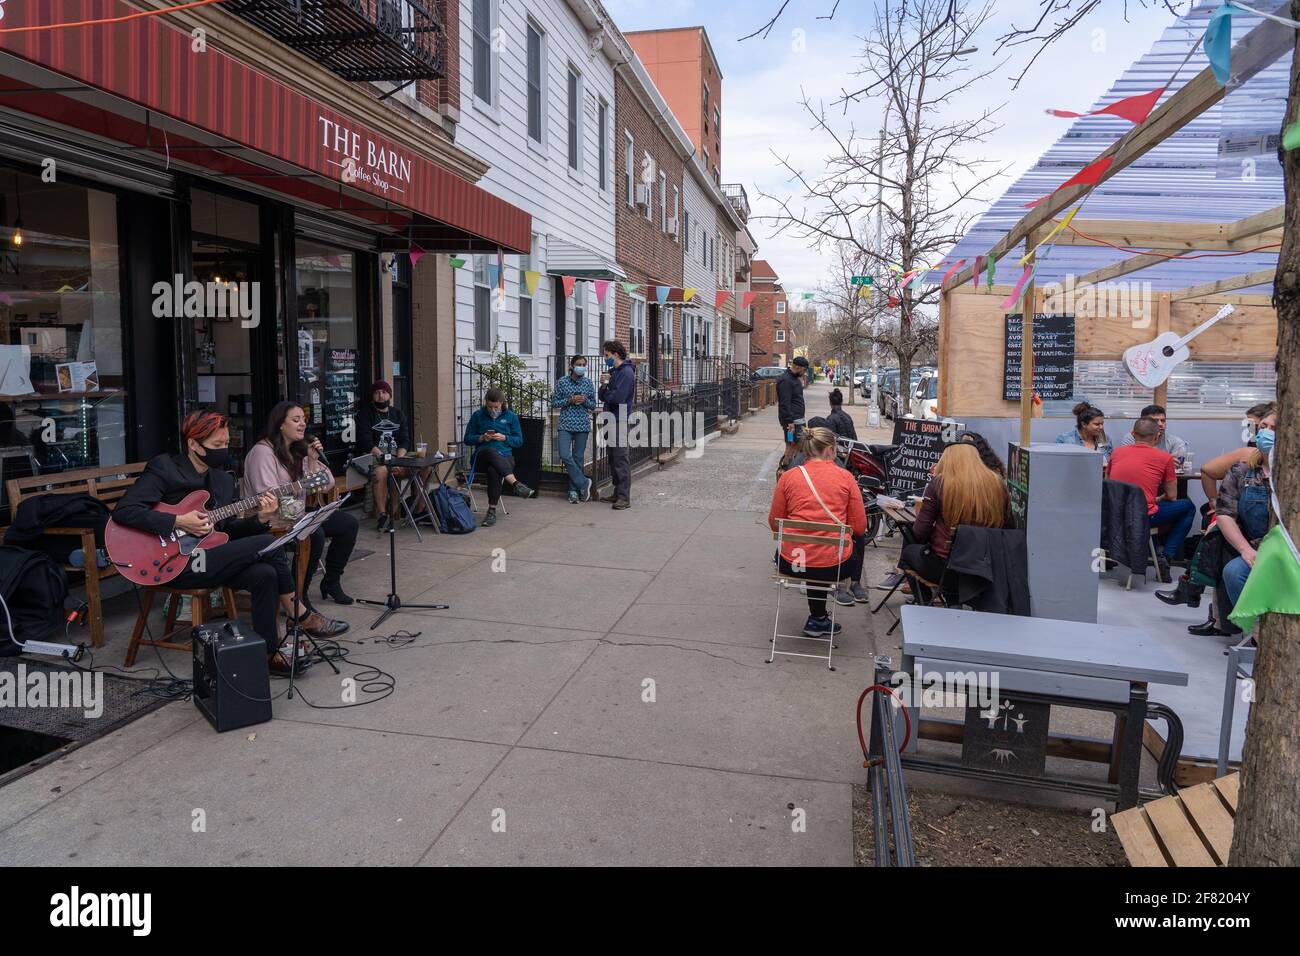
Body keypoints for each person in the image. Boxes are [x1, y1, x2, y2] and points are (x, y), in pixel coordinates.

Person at [112, 411, 344, 677]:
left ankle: (268, 653)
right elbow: (125, 511)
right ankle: (298, 613)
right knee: (267, 546)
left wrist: (262, 519)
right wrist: (178, 521)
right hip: (176, 562)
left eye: (225, 445)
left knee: (265, 574)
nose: (223, 451)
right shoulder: (165, 468)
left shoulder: (221, 480)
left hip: (211, 557)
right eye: (216, 446)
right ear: (193, 444)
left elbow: (228, 531)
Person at [243, 401, 359, 607]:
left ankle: (331, 582)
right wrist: (301, 494)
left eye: (304, 420)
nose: (302, 424)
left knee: (348, 524)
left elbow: (327, 482)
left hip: (296, 515)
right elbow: (267, 496)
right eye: (296, 420)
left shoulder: (297, 450)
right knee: (315, 534)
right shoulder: (263, 452)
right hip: (271, 520)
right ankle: (299, 596)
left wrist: (313, 460)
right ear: (280, 424)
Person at [768, 426, 868, 637]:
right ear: (830, 449)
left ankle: (817, 619)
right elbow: (859, 528)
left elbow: (775, 523)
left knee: (811, 552)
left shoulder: (788, 477)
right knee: (826, 553)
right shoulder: (846, 478)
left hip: (793, 563)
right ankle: (818, 619)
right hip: (835, 566)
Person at [901, 443, 1012, 586]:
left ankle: (928, 602)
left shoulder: (940, 483)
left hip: (947, 570)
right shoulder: (997, 484)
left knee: (908, 550)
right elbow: (1008, 526)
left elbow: (920, 531)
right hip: (986, 569)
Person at [1108, 417, 1195, 582]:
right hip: (1143, 517)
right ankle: (1166, 556)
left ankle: (1158, 554)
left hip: (1115, 516)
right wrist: (1156, 498)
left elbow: (1109, 482)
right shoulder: (1164, 458)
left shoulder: (1116, 453)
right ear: (1156, 437)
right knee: (1188, 507)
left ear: (1133, 434)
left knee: (1152, 507)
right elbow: (1172, 496)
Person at [355, 380, 430, 531]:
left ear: (389, 394)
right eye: (376, 393)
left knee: (423, 467)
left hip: (398, 456)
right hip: (376, 455)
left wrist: (400, 460)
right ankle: (383, 515)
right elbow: (366, 442)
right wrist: (387, 459)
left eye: (383, 392)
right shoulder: (365, 414)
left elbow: (405, 440)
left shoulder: (397, 414)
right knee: (381, 471)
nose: (380, 396)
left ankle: (418, 511)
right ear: (372, 396)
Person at [1216, 429, 1274, 611]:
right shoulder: (1242, 471)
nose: (1267, 432)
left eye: (1274, 427)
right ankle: (1256, 629)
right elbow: (1224, 513)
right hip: (1258, 548)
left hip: (1290, 549)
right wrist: (1246, 550)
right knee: (1234, 572)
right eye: (1264, 425)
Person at [464, 387, 532, 527]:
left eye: (496, 407)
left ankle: (492, 511)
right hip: (481, 457)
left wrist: (505, 438)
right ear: (486, 404)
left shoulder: (511, 416)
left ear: (502, 403)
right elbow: (467, 439)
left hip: (505, 457)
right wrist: (482, 437)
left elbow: (519, 441)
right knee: (490, 451)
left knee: (493, 470)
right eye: (490, 407)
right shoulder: (478, 415)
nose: (493, 410)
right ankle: (516, 484)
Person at [550, 355, 597, 503]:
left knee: (578, 459)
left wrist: (584, 401)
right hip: (565, 424)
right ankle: (584, 483)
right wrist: (569, 400)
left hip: (582, 425)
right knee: (564, 455)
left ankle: (573, 491)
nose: (581, 366)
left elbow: (593, 405)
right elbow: (554, 403)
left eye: (584, 364)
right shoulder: (563, 382)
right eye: (578, 364)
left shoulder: (588, 383)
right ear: (571, 366)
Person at [597, 339, 636, 510]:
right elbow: (601, 395)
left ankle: (624, 497)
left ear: (616, 354)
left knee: (620, 458)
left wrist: (607, 393)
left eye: (607, 355)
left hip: (619, 418)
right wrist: (605, 385)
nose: (605, 358)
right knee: (612, 458)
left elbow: (618, 398)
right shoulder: (613, 372)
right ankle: (616, 491)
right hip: (610, 417)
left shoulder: (626, 372)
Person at [1118, 404, 1190, 462]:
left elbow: (1178, 465)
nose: (1160, 424)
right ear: (1144, 422)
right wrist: (1164, 461)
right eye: (1155, 421)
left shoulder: (1175, 441)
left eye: (1163, 420)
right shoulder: (1130, 438)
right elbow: (1125, 461)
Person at [776, 356, 809, 470]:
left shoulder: (793, 379)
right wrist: (789, 421)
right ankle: (785, 470)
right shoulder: (786, 380)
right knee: (793, 446)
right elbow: (784, 403)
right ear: (798, 367)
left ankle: (788, 469)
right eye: (804, 370)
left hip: (797, 421)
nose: (804, 373)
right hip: (792, 423)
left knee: (796, 446)